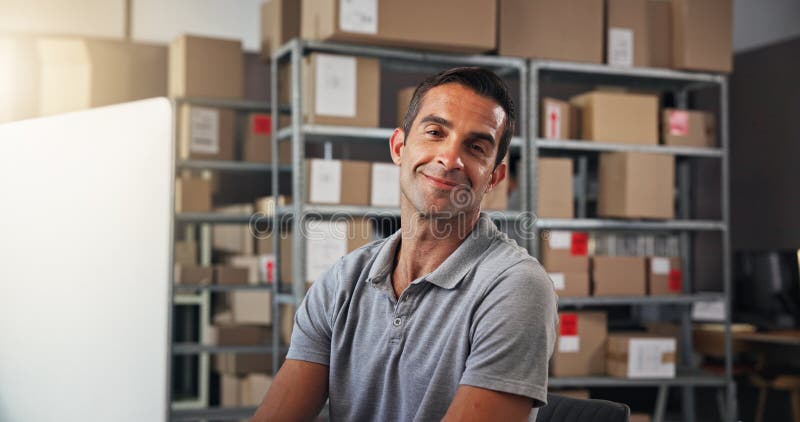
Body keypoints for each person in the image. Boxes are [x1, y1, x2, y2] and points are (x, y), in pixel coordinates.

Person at [253, 67, 557, 421]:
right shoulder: (342, 283)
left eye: (475, 147)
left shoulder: (515, 288)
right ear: (399, 147)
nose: (450, 159)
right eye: (434, 132)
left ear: (494, 177)